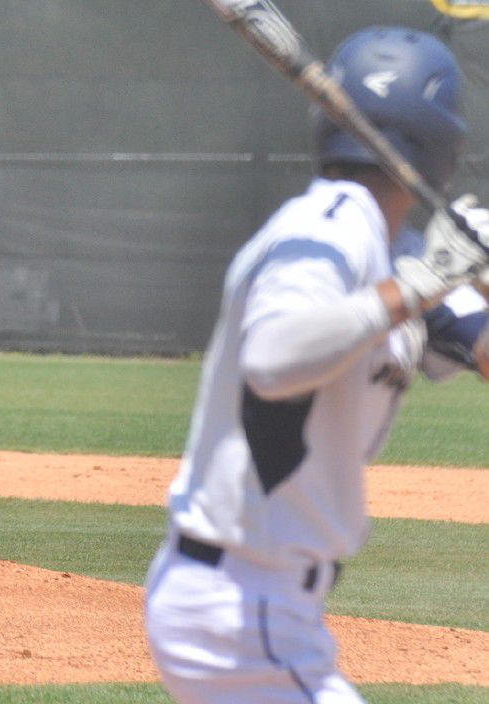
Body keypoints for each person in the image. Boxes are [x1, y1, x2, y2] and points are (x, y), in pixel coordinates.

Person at [143, 27, 489, 703]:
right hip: (239, 612)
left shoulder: (398, 252)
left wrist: (461, 275)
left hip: (266, 609)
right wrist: (426, 281)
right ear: (446, 143)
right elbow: (273, 358)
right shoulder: (326, 230)